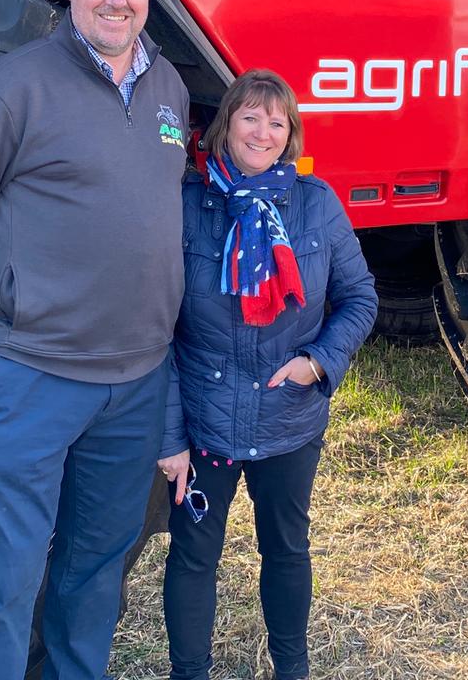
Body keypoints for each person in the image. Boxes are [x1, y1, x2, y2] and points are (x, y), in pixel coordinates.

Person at [0, 0, 191, 680]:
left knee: (97, 569)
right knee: (2, 581)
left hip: (135, 382)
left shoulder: (168, 88)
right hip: (31, 374)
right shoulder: (10, 90)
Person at [157, 69, 378, 680]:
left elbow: (360, 297)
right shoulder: (187, 207)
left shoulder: (317, 204)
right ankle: (189, 671)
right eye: (250, 117)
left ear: (291, 135)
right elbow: (159, 330)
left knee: (286, 549)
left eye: (276, 122)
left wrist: (319, 362)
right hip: (206, 423)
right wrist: (171, 437)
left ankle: (291, 668)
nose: (262, 131)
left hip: (288, 419)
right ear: (226, 125)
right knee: (194, 555)